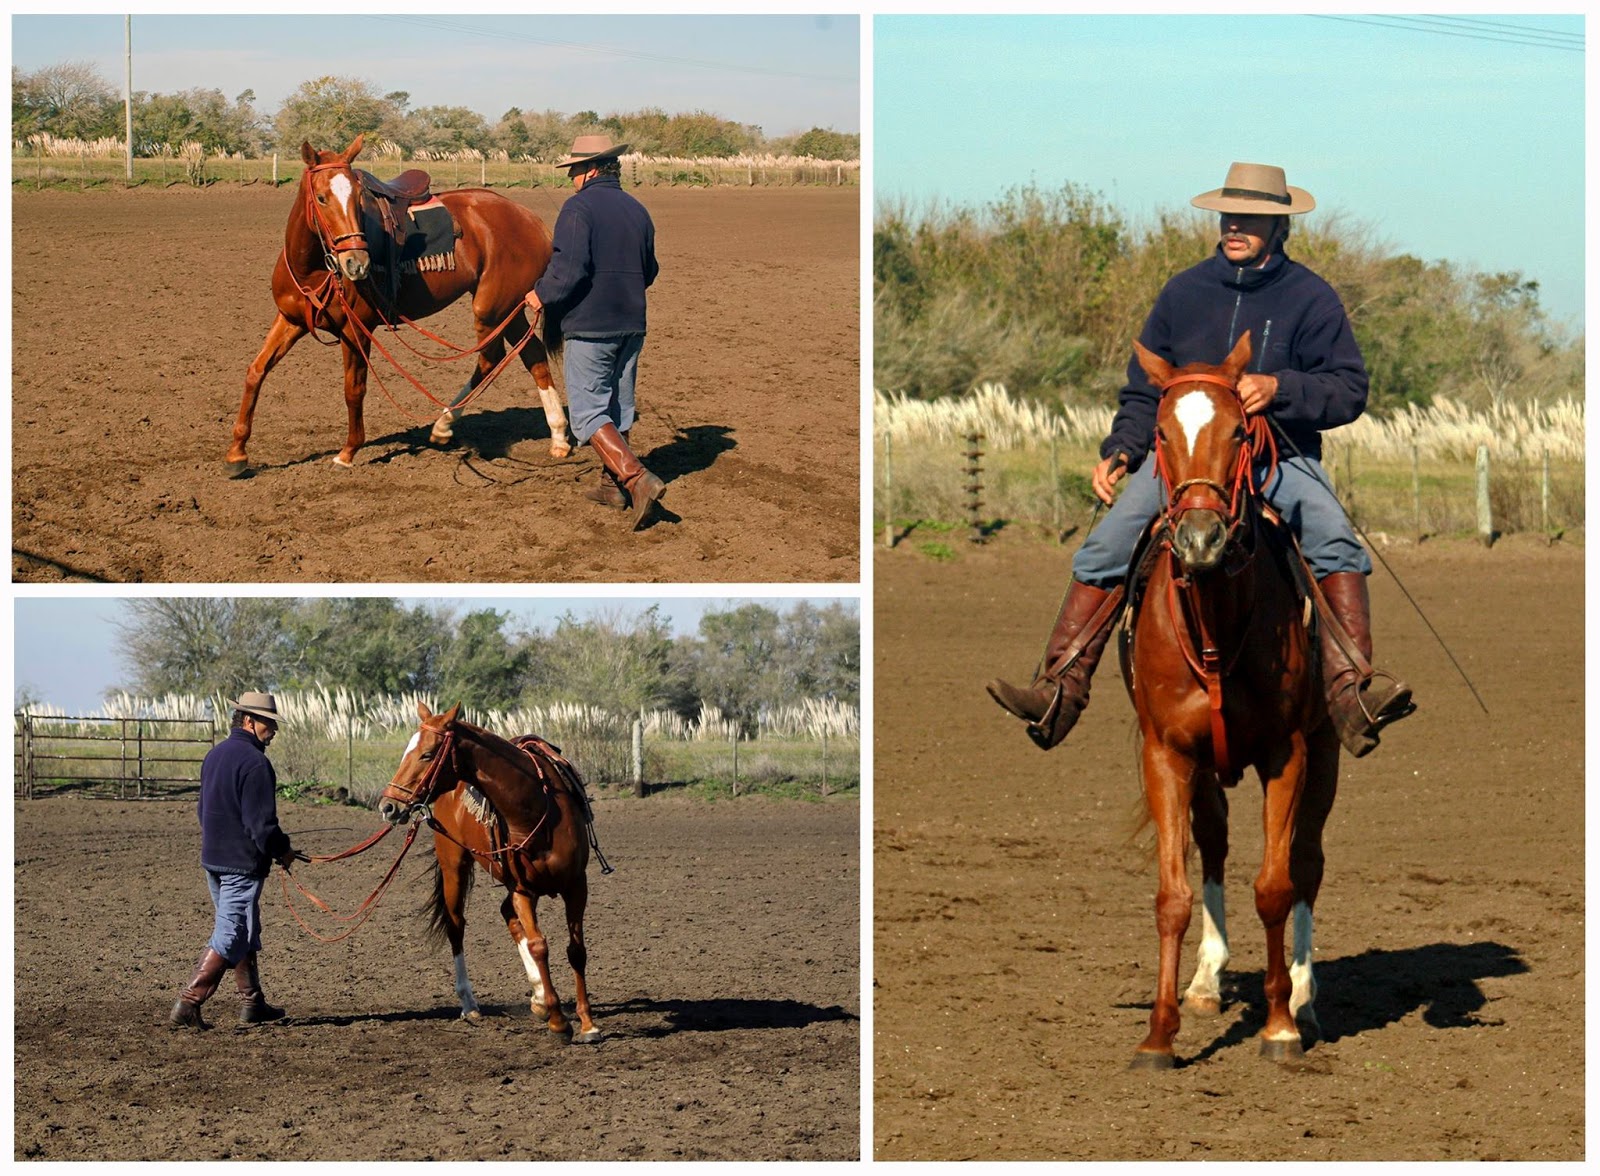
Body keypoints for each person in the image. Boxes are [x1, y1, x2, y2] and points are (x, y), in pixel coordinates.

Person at [987, 162, 1414, 757]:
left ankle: (1352, 692)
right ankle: (1059, 689)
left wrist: (1281, 388)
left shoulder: (1311, 297)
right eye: (1228, 214)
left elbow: (1348, 388)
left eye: (1251, 217)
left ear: (1279, 225)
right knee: (1105, 547)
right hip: (1182, 465)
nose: (1235, 225)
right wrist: (1122, 448)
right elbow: (1144, 389)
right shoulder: (1184, 292)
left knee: (1334, 536)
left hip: (1275, 457)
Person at [525, 134, 665, 531]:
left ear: (589, 170)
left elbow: (569, 272)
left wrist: (540, 295)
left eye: (572, 170)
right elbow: (649, 271)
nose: (570, 178)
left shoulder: (577, 208)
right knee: (618, 407)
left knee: (587, 415)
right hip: (633, 324)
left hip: (590, 326)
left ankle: (638, 480)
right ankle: (612, 484)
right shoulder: (639, 211)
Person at [169, 691, 305, 1029]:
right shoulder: (256, 763)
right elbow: (262, 826)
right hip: (241, 864)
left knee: (242, 928)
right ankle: (189, 1002)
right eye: (268, 722)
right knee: (231, 933)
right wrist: (283, 850)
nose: (273, 729)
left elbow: (204, 811)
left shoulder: (214, 755)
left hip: (214, 859)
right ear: (249, 720)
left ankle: (252, 1003)